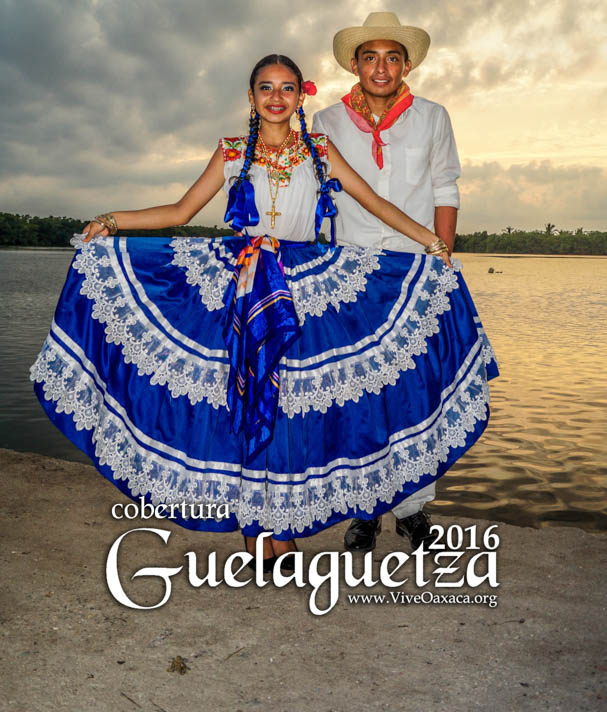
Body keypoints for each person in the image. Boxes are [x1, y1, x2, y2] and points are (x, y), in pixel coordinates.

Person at [31, 52, 497, 570]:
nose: (277, 97)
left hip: (303, 286)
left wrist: (433, 244)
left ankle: (279, 526)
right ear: (251, 97)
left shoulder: (319, 148)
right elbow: (181, 211)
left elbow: (372, 203)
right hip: (242, 282)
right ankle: (257, 529)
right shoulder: (231, 152)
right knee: (247, 402)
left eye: (287, 88)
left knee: (289, 407)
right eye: (266, 88)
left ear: (302, 96)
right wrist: (112, 220)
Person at [312, 11, 488, 552]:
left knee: (414, 389)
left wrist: (443, 255)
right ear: (356, 65)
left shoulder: (433, 116)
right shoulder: (325, 122)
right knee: (359, 389)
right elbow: (315, 198)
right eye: (371, 57)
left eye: (392, 57)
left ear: (406, 64)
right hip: (350, 271)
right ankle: (365, 509)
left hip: (416, 268)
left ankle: (413, 508)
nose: (381, 67)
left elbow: (446, 188)